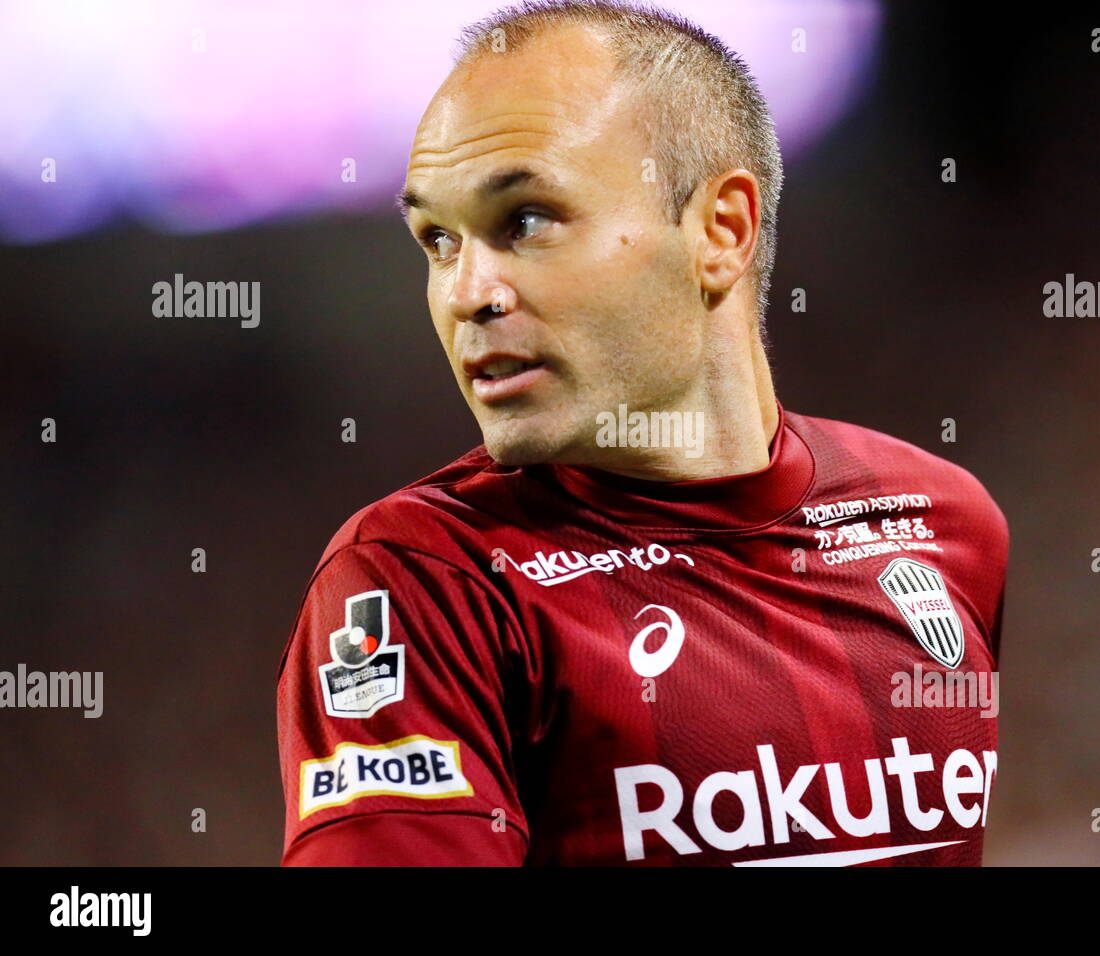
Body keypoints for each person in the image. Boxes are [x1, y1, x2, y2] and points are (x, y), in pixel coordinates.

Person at [276, 0, 1008, 866]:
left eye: (526, 221)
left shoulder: (947, 523)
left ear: (720, 232)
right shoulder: (425, 579)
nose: (467, 292)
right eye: (437, 239)